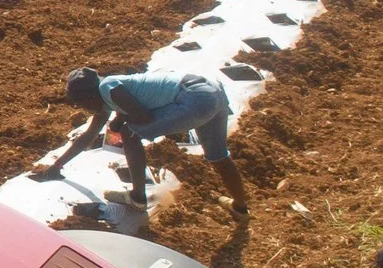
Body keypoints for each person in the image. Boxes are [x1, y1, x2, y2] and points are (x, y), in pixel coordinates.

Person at [37, 66, 249, 214]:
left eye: (80, 104)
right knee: (219, 156)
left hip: (193, 98)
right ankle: (240, 207)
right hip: (212, 92)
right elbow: (88, 136)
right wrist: (58, 164)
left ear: (88, 97)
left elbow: (143, 117)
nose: (82, 109)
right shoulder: (110, 92)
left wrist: (120, 121)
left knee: (131, 133)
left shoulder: (107, 87)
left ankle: (138, 197)